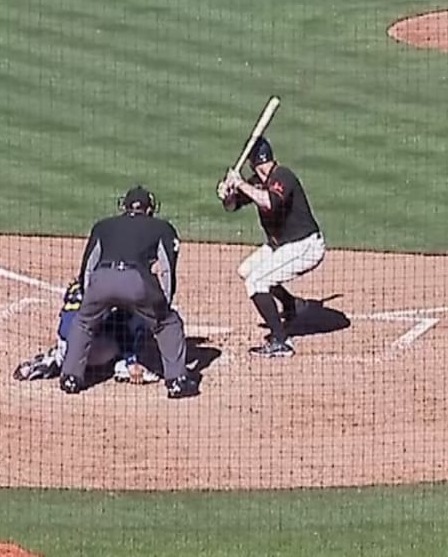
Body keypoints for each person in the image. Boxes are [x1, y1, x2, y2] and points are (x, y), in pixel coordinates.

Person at [59, 185, 198, 398]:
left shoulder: (102, 226)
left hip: (101, 280)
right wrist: (162, 308)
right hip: (137, 281)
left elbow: (88, 266)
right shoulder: (162, 228)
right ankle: (176, 381)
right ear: (150, 208)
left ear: (124, 206)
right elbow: (167, 269)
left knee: (83, 322)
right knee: (169, 324)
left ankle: (70, 378)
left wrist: (91, 300)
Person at [217, 137, 325, 358]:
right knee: (246, 270)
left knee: (256, 281)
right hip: (282, 246)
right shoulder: (257, 180)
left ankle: (281, 341)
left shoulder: (282, 176)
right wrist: (227, 195)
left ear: (252, 160)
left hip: (304, 245)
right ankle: (290, 304)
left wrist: (240, 184)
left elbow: (268, 202)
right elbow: (232, 206)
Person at [10, 277, 161, 384]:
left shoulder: (81, 284)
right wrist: (130, 360)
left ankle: (56, 358)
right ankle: (122, 365)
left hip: (66, 344)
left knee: (84, 324)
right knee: (136, 318)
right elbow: (121, 324)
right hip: (92, 353)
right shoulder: (111, 288)